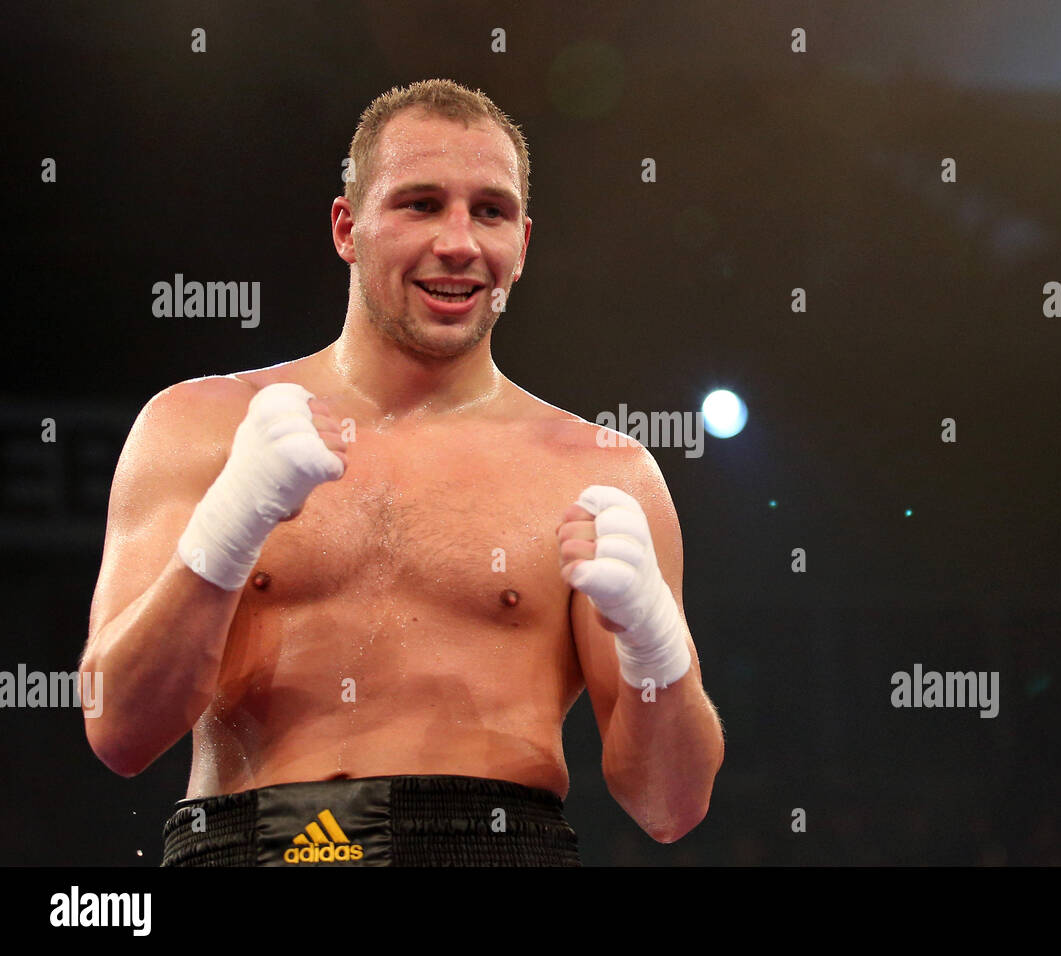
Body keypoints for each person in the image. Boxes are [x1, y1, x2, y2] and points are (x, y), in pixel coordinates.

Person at [80, 78, 725, 866]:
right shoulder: (199, 425)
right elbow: (118, 732)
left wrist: (659, 649)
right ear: (347, 228)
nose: (459, 242)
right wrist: (227, 529)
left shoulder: (602, 474)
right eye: (420, 204)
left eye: (489, 210)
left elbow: (671, 806)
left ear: (523, 241)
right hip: (247, 848)